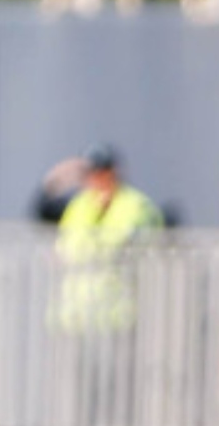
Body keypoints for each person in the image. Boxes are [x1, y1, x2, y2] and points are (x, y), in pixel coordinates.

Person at [52, 144, 164, 336]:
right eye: (90, 174)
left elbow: (116, 247)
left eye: (101, 172)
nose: (96, 179)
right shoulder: (79, 204)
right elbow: (64, 247)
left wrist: (88, 247)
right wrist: (54, 181)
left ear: (114, 172)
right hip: (77, 315)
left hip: (116, 315)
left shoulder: (135, 204)